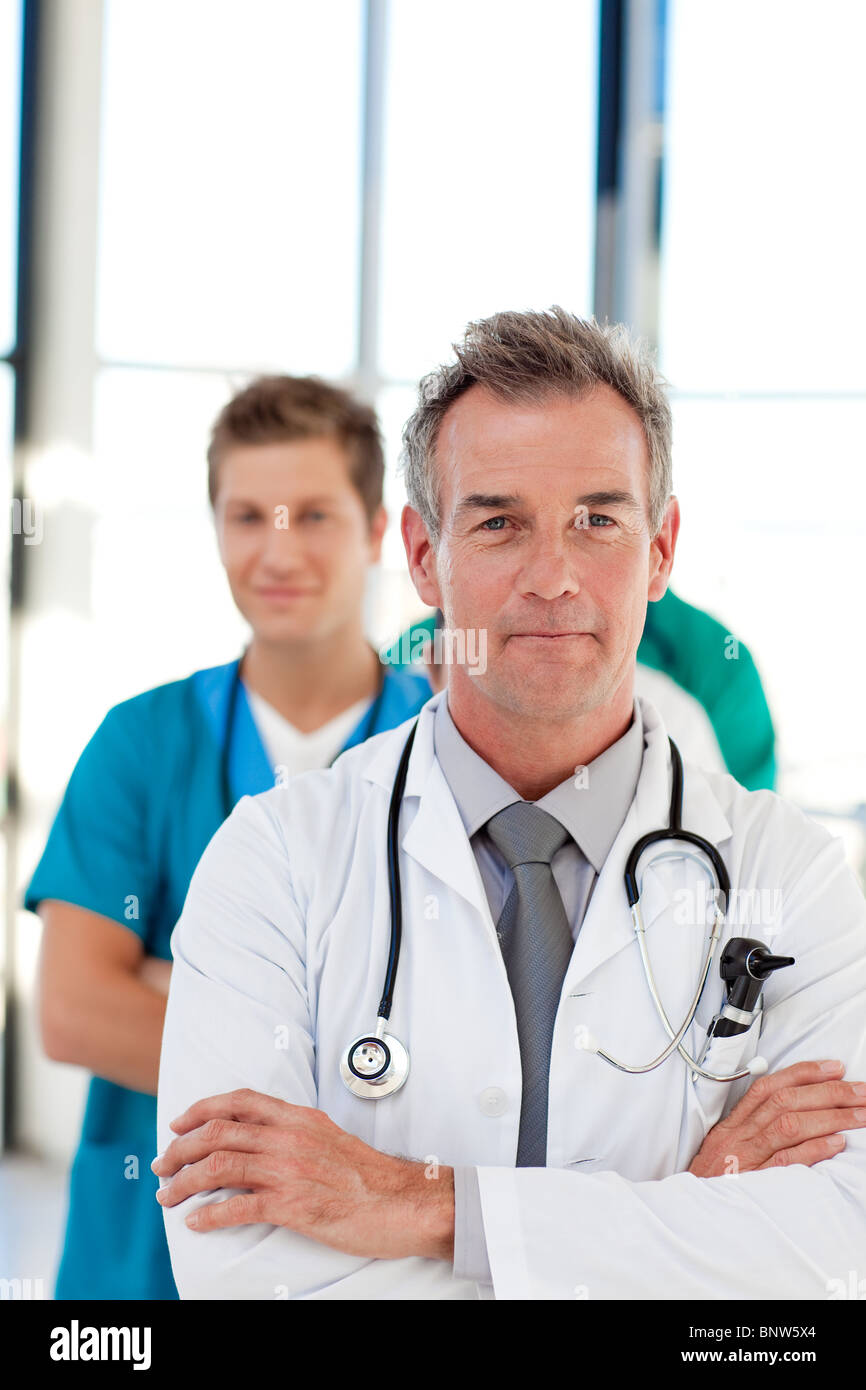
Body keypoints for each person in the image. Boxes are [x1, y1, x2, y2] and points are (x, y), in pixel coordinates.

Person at [154, 310, 866, 1300]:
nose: (551, 577)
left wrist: (420, 1202)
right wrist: (683, 1206)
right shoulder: (271, 860)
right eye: (496, 520)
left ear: (659, 549)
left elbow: (832, 1255)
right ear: (418, 554)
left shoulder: (785, 876)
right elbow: (241, 1271)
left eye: (597, 519)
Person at [24, 374, 430, 1300]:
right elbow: (75, 1011)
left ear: (376, 532)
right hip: (142, 1265)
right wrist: (358, 1052)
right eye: (248, 516)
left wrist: (181, 992)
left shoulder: (447, 752)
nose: (277, 551)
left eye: (314, 516)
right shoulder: (141, 742)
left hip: (371, 1271)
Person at [384, 588, 777, 790]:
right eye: (499, 522)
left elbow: (740, 847)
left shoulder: (709, 672)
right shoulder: (410, 660)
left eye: (599, 520)